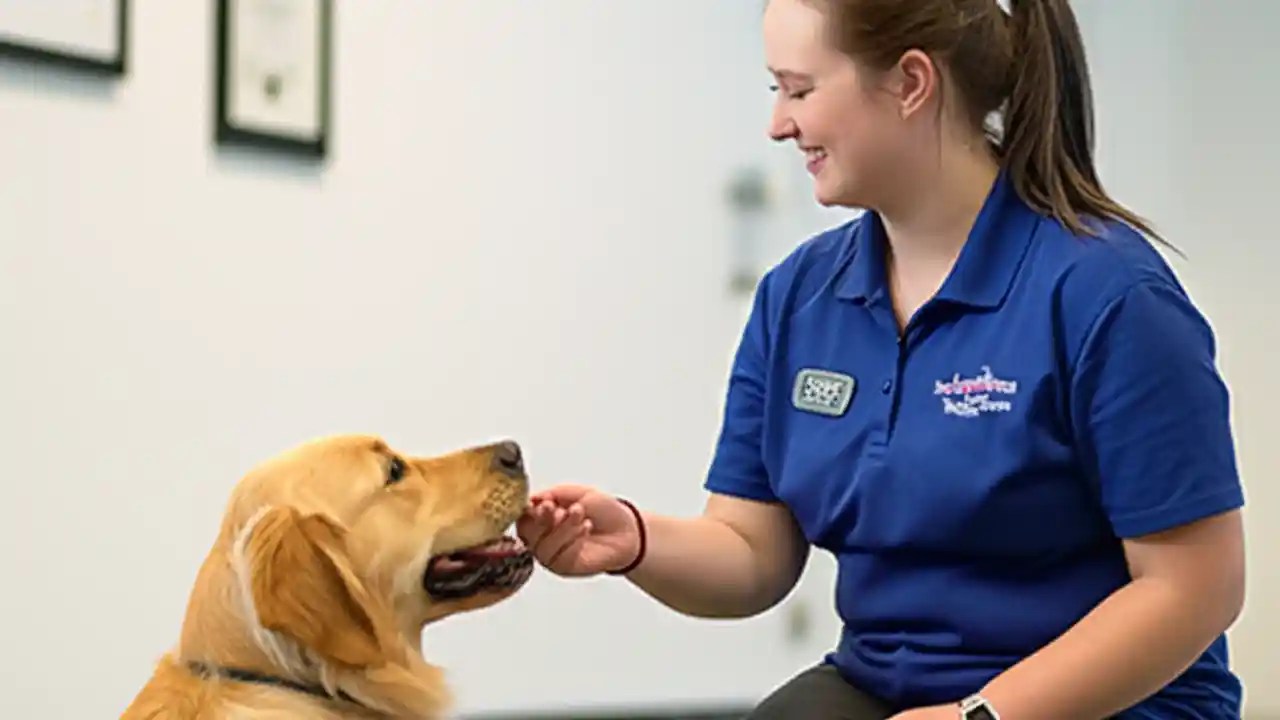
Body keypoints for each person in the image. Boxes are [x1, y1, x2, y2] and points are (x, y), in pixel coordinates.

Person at [516, 0, 1248, 718]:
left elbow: (1193, 590)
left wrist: (980, 717)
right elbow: (752, 553)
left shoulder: (1109, 296)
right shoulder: (799, 296)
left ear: (911, 83)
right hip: (887, 688)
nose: (778, 124)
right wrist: (634, 541)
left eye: (799, 89)